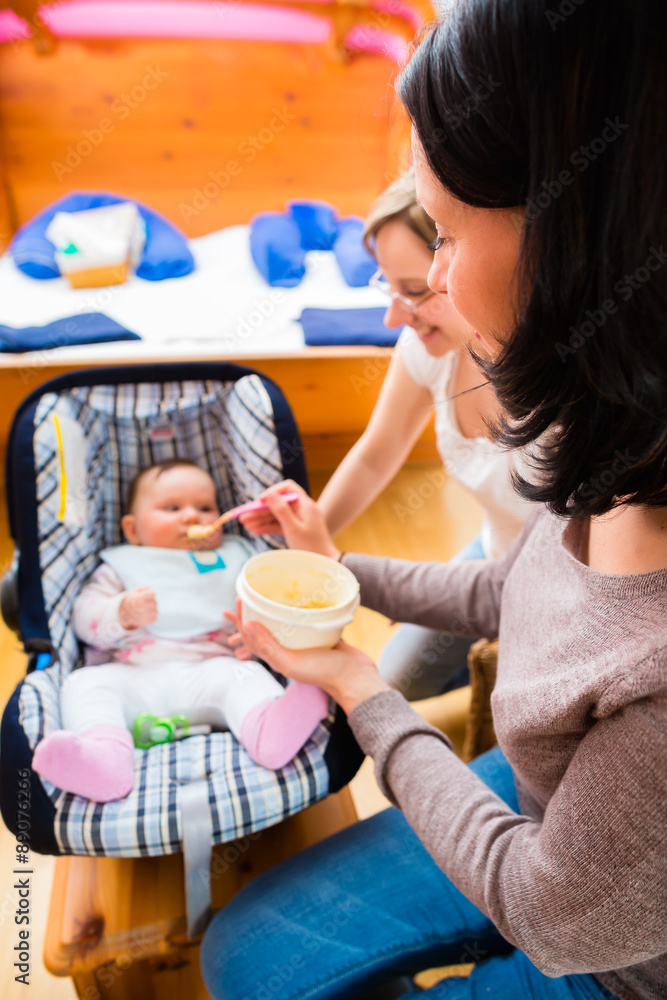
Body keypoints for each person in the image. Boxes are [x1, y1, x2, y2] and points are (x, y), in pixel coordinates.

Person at [200, 2, 667, 999]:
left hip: (608, 957)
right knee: (243, 953)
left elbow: (552, 914)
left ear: (583, 240)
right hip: (544, 801)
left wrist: (362, 686)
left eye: (444, 239)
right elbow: (512, 588)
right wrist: (333, 578)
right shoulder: (612, 444)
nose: (428, 295)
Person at [244, 169, 535, 701]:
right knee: (398, 676)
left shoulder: (564, 393)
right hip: (492, 561)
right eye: (387, 285)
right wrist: (303, 551)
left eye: (415, 292)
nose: (390, 317)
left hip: (555, 596)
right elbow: (377, 455)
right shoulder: (429, 350)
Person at [32, 459, 329, 801]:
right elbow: (85, 622)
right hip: (133, 675)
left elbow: (269, 606)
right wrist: (122, 612)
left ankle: (272, 731)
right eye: (172, 508)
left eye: (205, 507)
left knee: (246, 677)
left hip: (215, 669)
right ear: (132, 530)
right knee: (83, 684)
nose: (192, 517)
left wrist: (260, 641)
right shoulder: (122, 564)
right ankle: (106, 761)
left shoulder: (237, 558)